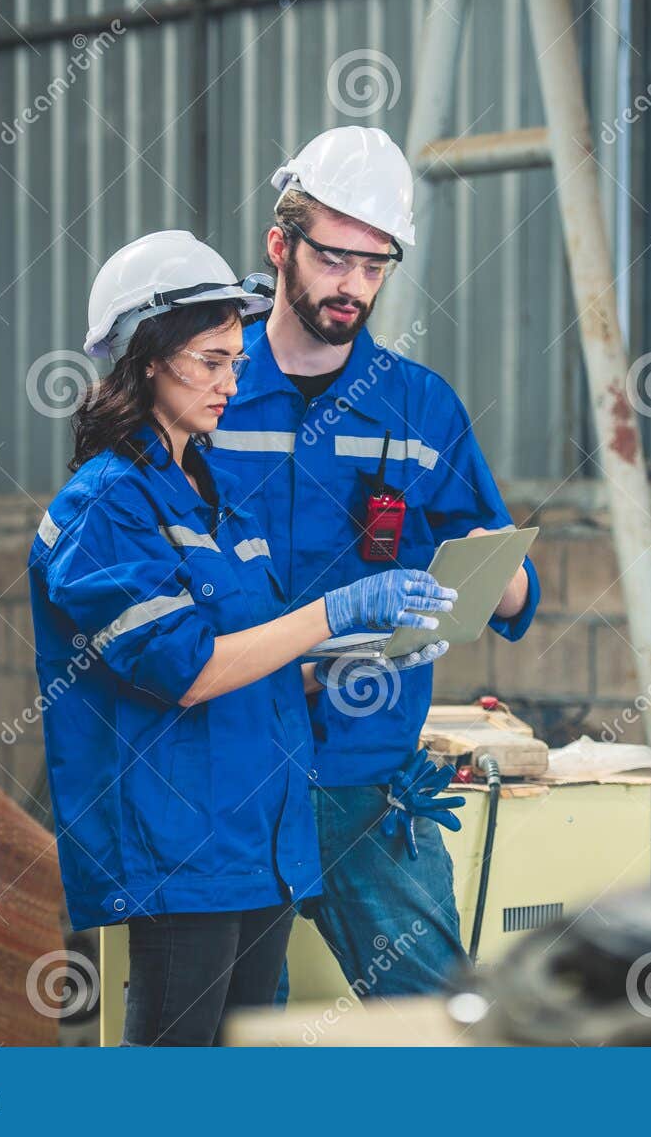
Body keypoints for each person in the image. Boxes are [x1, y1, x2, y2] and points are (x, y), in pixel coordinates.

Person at [27, 230, 456, 1044]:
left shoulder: (213, 490)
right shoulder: (106, 508)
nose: (233, 381)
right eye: (210, 361)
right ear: (146, 358)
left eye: (235, 360)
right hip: (183, 845)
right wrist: (335, 612)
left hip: (259, 837)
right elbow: (187, 672)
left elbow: (257, 661)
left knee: (241, 1065)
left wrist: (361, 661)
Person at [212, 128, 540, 996]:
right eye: (334, 259)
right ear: (280, 246)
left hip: (367, 773)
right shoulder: (209, 385)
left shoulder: (420, 407)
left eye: (375, 264)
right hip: (228, 773)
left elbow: (507, 582)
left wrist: (487, 581)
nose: (353, 285)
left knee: (436, 1017)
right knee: (226, 1032)